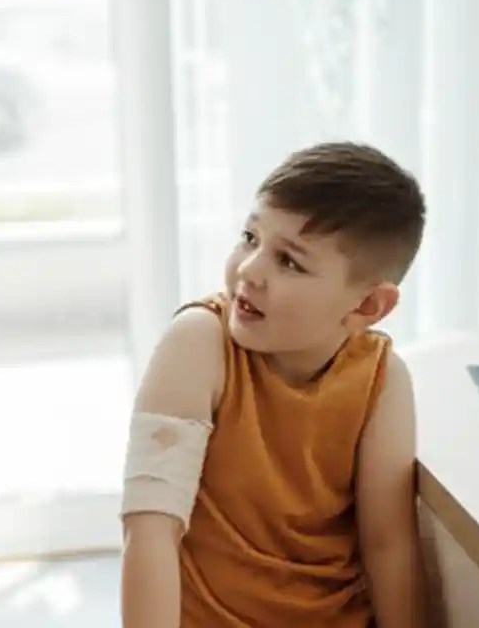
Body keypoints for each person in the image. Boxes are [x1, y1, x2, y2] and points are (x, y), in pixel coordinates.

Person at [120, 143, 428, 627]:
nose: (249, 269)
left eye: (288, 262)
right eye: (250, 236)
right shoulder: (199, 342)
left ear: (367, 307)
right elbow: (149, 526)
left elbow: (389, 545)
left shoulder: (383, 382)